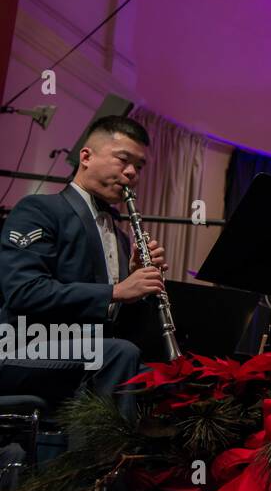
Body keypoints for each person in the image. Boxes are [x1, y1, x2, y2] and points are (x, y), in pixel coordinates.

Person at [0, 115, 168, 416]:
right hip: (19, 346)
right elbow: (24, 292)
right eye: (123, 160)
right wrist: (116, 291)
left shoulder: (118, 235)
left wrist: (136, 285)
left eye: (139, 167)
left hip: (82, 351)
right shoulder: (38, 209)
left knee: (161, 380)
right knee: (119, 355)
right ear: (86, 157)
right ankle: (96, 463)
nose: (131, 173)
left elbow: (112, 322)